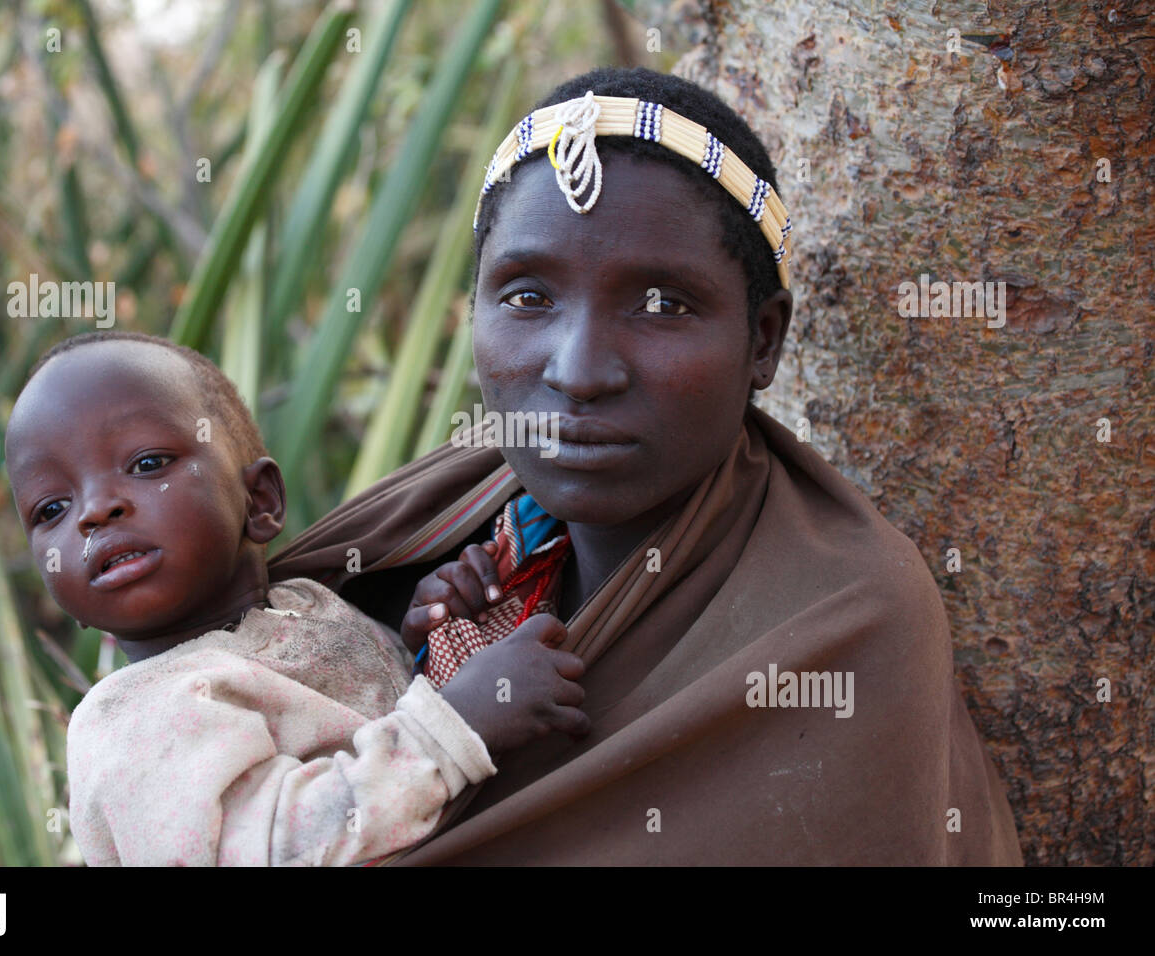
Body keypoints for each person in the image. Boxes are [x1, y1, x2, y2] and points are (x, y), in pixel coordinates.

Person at [266, 67, 1024, 865]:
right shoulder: (422, 536)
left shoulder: (845, 620)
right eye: (527, 298)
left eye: (662, 304)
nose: (580, 370)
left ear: (762, 340)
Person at [3, 331, 588, 866]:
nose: (95, 511)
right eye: (51, 508)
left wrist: (424, 637)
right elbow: (271, 851)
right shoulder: (133, 720)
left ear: (259, 501)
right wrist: (459, 725)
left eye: (147, 463)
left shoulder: (309, 603)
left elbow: (371, 714)